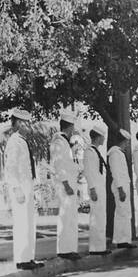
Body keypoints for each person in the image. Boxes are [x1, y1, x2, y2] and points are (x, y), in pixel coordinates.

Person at [4, 109, 42, 269]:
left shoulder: (22, 140)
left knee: (29, 223)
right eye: (26, 123)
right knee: (21, 224)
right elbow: (10, 168)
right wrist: (16, 188)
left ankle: (28, 257)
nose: (29, 126)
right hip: (19, 188)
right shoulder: (14, 141)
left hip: (27, 186)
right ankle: (21, 260)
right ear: (19, 123)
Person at [51, 109, 82, 260]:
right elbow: (59, 165)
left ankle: (71, 249)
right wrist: (66, 184)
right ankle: (63, 250)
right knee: (65, 216)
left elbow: (69, 164)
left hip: (70, 183)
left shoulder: (66, 143)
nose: (73, 130)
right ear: (68, 127)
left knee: (71, 217)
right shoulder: (58, 142)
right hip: (65, 185)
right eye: (72, 127)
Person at [107, 130, 135, 248]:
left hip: (123, 185)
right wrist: (120, 189)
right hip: (120, 187)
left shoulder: (119, 153)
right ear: (123, 141)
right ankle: (120, 240)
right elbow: (116, 173)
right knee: (121, 213)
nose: (128, 145)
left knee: (125, 213)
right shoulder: (114, 154)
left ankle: (125, 239)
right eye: (127, 142)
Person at [84, 124, 110, 254]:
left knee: (101, 217)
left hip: (100, 187)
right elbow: (88, 171)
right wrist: (92, 189)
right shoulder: (89, 151)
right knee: (96, 217)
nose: (104, 139)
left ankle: (100, 246)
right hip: (96, 188)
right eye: (102, 137)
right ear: (97, 137)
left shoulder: (95, 151)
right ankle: (95, 248)